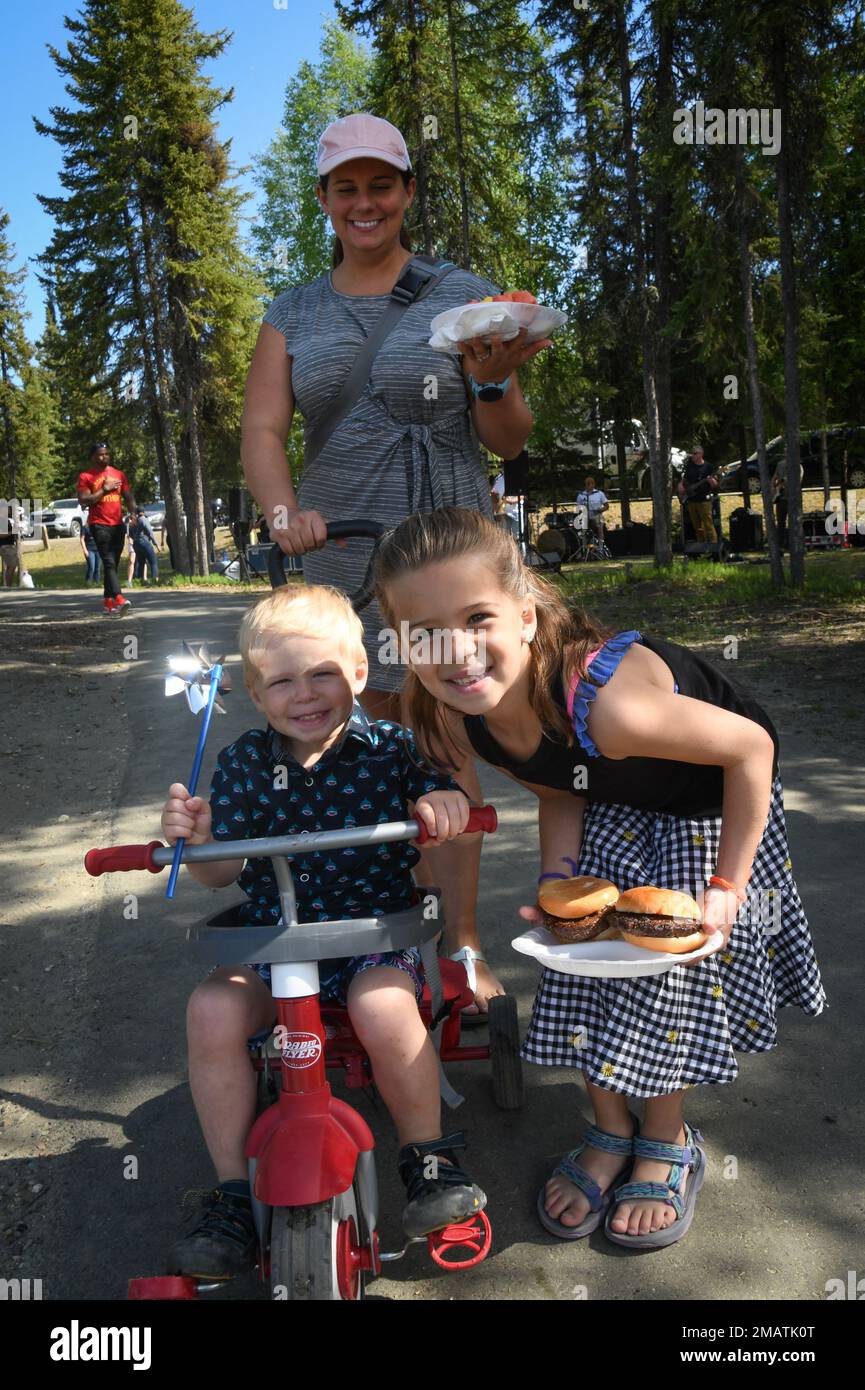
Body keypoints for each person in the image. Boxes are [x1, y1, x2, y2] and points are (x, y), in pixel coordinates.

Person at [373, 507, 825, 1251]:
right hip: (612, 798)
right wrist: (559, 880)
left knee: (656, 973)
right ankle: (608, 1131)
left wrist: (727, 887)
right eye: (424, 631)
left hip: (706, 806)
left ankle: (667, 1141)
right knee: (580, 966)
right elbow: (560, 786)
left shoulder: (608, 707)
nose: (454, 650)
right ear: (398, 644)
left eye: (477, 617)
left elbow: (749, 749)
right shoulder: (457, 713)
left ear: (524, 616)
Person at [240, 112, 552, 1015]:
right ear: (325, 201)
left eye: (382, 184)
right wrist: (281, 512)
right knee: (353, 748)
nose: (365, 203)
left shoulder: (463, 298)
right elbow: (263, 429)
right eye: (348, 187)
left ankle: (455, 947)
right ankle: (367, 941)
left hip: (446, 562)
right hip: (340, 556)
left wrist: (492, 378)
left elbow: (507, 435)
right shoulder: (293, 312)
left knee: (445, 744)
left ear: (407, 192)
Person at [160, 582, 486, 1280]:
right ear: (254, 691)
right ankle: (230, 1192)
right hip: (272, 940)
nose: (303, 694)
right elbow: (219, 877)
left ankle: (427, 1156)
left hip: (371, 934)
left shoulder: (392, 747)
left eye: (323, 674)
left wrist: (442, 799)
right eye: (281, 681)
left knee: (383, 1007)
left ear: (359, 674)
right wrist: (202, 840)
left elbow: (443, 788)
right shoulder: (245, 763)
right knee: (211, 1008)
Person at [76, 442, 137, 613]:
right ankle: (119, 598)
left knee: (114, 563)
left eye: (107, 454)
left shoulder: (118, 474)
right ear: (93, 457)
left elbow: (128, 496)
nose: (105, 457)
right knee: (109, 562)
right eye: (101, 454)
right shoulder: (86, 476)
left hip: (117, 524)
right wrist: (104, 489)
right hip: (98, 523)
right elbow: (84, 500)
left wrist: (133, 513)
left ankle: (107, 601)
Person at [678, 445, 719, 545]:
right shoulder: (690, 466)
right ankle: (701, 546)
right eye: (692, 453)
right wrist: (681, 488)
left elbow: (715, 484)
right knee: (697, 526)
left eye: (696, 453)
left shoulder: (708, 467)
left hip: (704, 500)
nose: (693, 455)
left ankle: (714, 546)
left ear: (701, 454)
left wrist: (711, 481)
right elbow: (685, 481)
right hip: (691, 500)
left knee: (708, 524)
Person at [770, 455, 804, 551]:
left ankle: (794, 545)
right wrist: (773, 488)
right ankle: (780, 545)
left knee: (794, 523)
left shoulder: (798, 466)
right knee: (780, 523)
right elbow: (774, 477)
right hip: (780, 499)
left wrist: (783, 481)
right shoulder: (780, 464)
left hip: (793, 500)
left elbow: (797, 480)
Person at [575, 476, 610, 543]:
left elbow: (607, 506)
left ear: (593, 484)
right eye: (587, 484)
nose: (588, 485)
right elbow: (578, 508)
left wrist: (600, 510)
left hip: (597, 515)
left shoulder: (599, 493)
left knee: (599, 523)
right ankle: (584, 545)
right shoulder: (581, 495)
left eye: (590, 483)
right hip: (585, 516)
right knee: (582, 528)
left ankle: (601, 544)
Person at [130, 508, 160, 583]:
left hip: (136, 544)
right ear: (143, 512)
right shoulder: (143, 519)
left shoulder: (133, 522)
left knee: (141, 563)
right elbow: (149, 531)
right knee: (153, 561)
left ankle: (139, 581)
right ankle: (155, 580)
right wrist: (156, 543)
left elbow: (130, 534)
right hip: (144, 542)